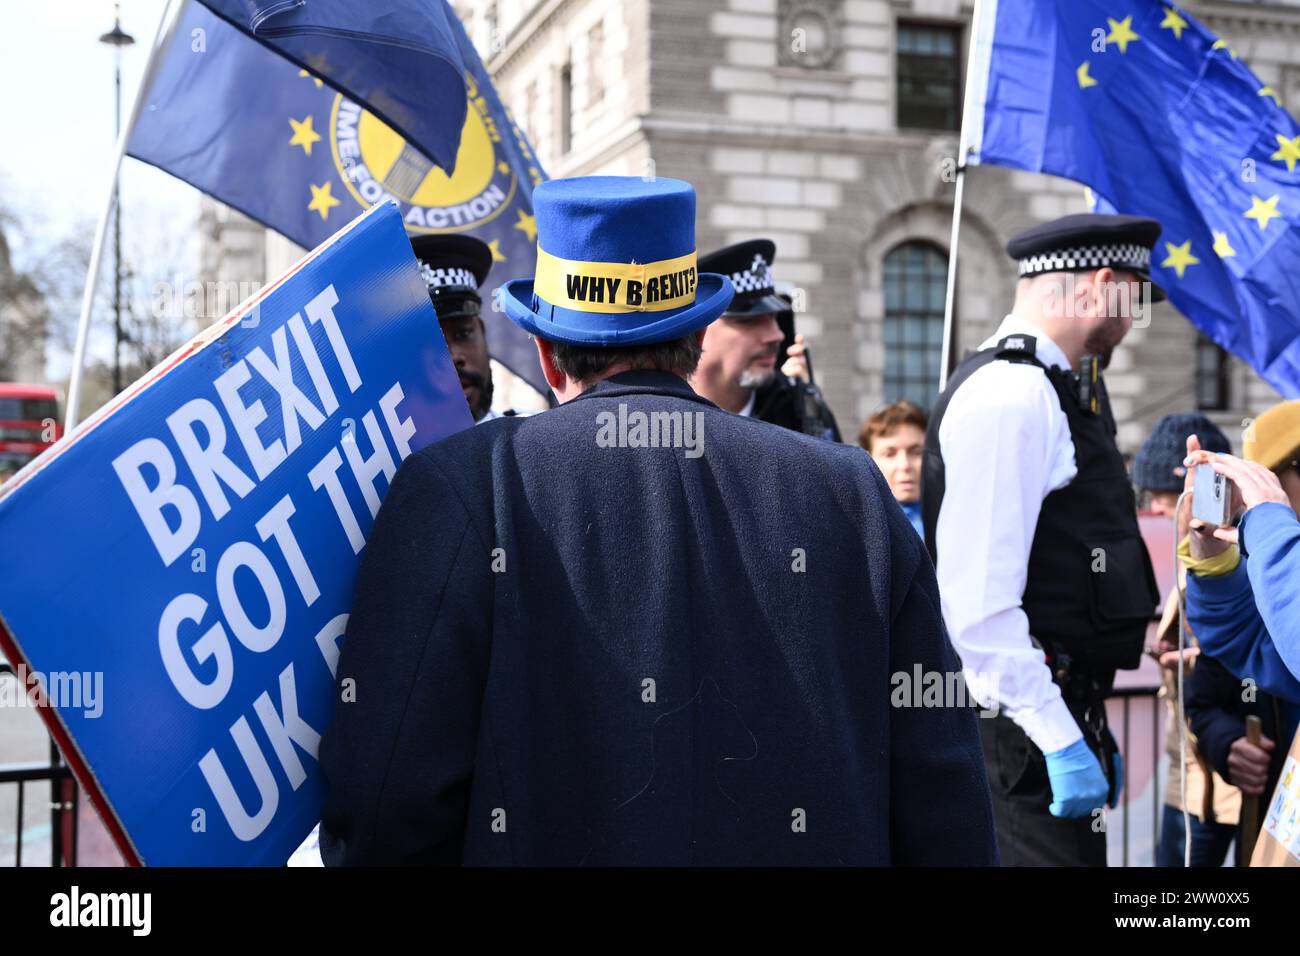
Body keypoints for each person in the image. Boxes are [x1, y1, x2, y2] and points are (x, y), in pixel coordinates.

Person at [318, 175, 996, 865]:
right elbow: (942, 788)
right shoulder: (850, 489)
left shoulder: (461, 486)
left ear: (548, 355)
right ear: (697, 335)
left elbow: (386, 797)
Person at [922, 213, 1164, 866]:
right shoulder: (1013, 394)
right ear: (1101, 285)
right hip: (1020, 728)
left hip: (1042, 712)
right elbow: (978, 605)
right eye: (1134, 296)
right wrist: (1056, 735)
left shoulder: (1050, 387)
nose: (1134, 315)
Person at [1132, 412, 1240, 867]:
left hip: (1232, 770)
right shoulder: (1187, 559)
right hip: (1190, 772)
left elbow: (1256, 650)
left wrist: (1206, 657)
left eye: (1162, 495)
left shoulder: (1237, 553)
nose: (1156, 508)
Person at [1181, 399, 1300, 701]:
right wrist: (1210, 548)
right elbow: (1248, 640)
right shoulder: (1267, 549)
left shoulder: (1270, 543)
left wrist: (1271, 529)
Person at [692, 240, 841, 440]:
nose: (776, 335)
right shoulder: (660, 416)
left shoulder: (798, 414)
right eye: (749, 321)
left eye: (773, 318)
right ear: (697, 331)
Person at [410, 234, 525, 423]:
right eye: (434, 342)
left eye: (463, 334)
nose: (455, 357)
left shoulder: (533, 440)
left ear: (482, 331)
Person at [859, 401, 927, 537]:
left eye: (916, 452)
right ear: (868, 460)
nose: (904, 465)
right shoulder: (857, 528)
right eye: (890, 454)